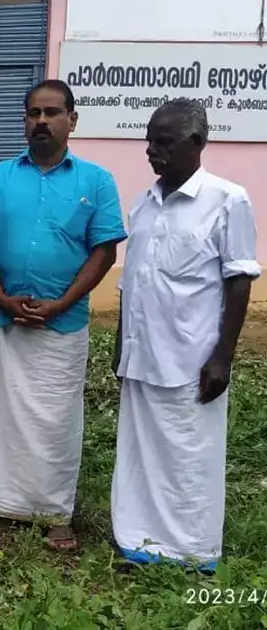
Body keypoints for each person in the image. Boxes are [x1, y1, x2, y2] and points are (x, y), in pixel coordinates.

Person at [0, 80, 127, 550]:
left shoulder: (96, 181)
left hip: (62, 323)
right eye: (33, 112)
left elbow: (104, 250)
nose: (41, 121)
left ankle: (54, 511)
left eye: (52, 112)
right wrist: (0, 296)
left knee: (56, 421)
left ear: (72, 120)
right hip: (5, 319)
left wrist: (62, 302)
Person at [111, 98, 260, 572]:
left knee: (190, 456)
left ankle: (191, 551)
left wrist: (223, 358)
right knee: (140, 453)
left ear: (196, 143)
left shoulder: (227, 199)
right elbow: (132, 279)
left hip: (191, 357)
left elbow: (239, 279)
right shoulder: (144, 202)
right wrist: (121, 342)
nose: (151, 151)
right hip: (142, 352)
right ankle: (138, 540)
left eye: (164, 142)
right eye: (149, 141)